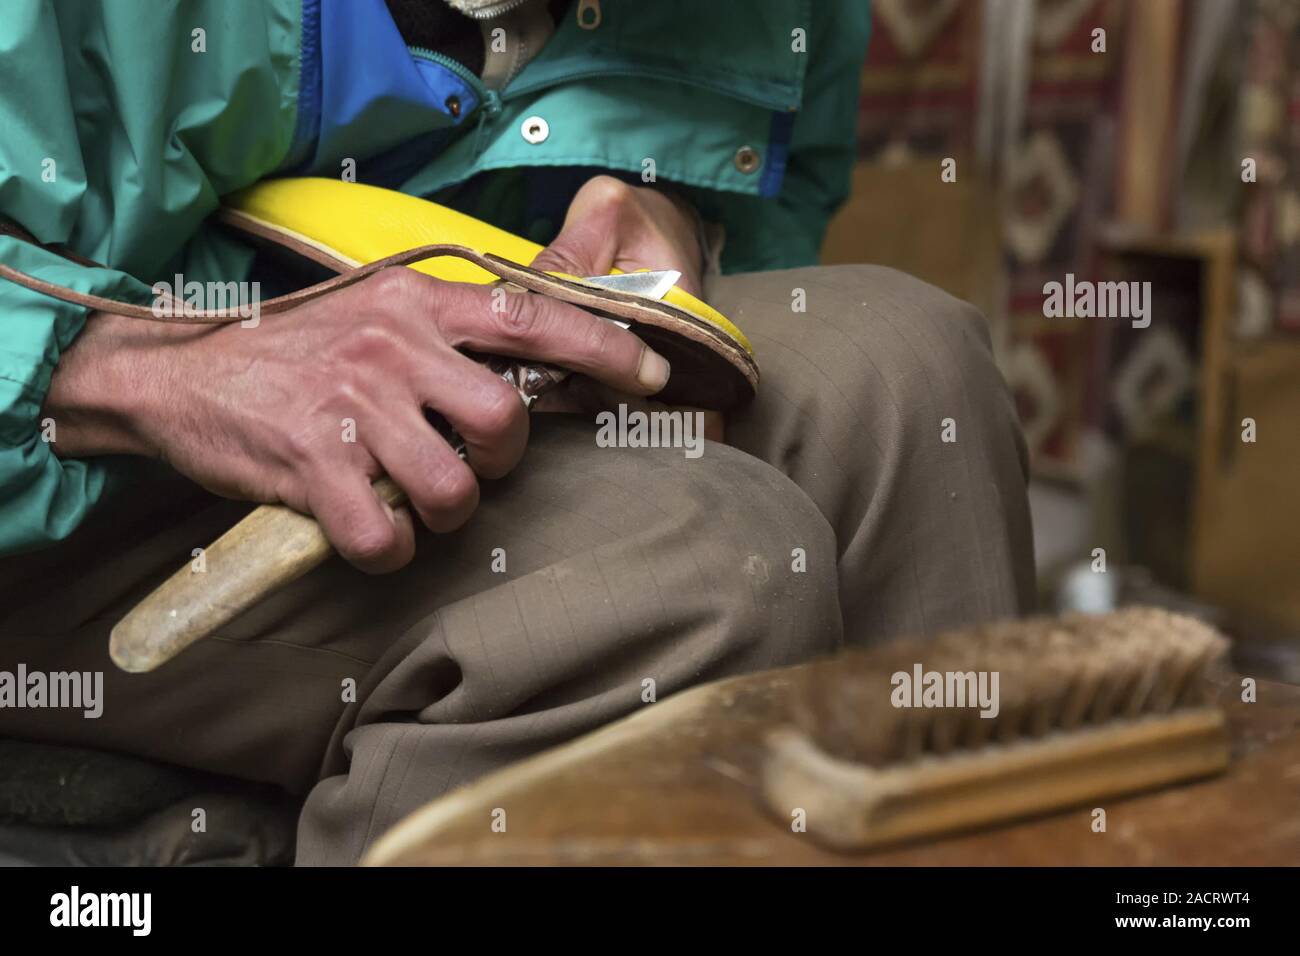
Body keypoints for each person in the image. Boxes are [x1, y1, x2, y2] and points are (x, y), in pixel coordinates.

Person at [0, 0, 1033, 864]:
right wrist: (145, 368)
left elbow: (778, 156)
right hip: (65, 459)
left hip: (453, 371)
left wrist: (677, 214)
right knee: (690, 567)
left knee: (909, 381)